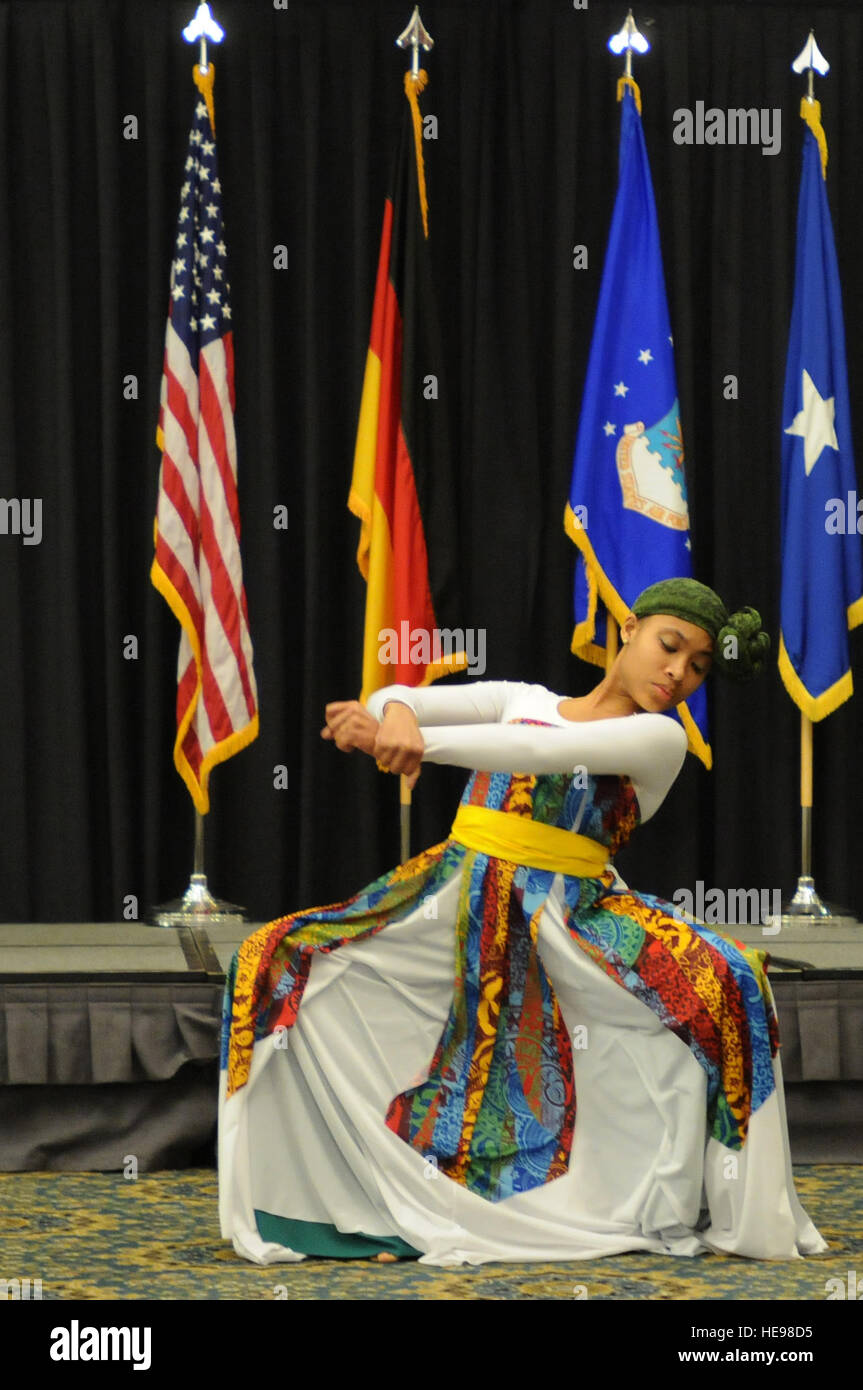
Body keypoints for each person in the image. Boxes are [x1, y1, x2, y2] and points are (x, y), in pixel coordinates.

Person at [218, 578, 826, 1265]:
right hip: (454, 895)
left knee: (731, 977)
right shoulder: (522, 699)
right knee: (273, 957)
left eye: (697, 668)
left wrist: (414, 738)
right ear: (627, 629)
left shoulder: (661, 739)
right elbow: (400, 697)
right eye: (669, 646)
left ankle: (669, 1200)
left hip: (570, 918)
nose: (677, 673)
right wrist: (394, 714)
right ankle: (335, 1202)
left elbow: (540, 755)